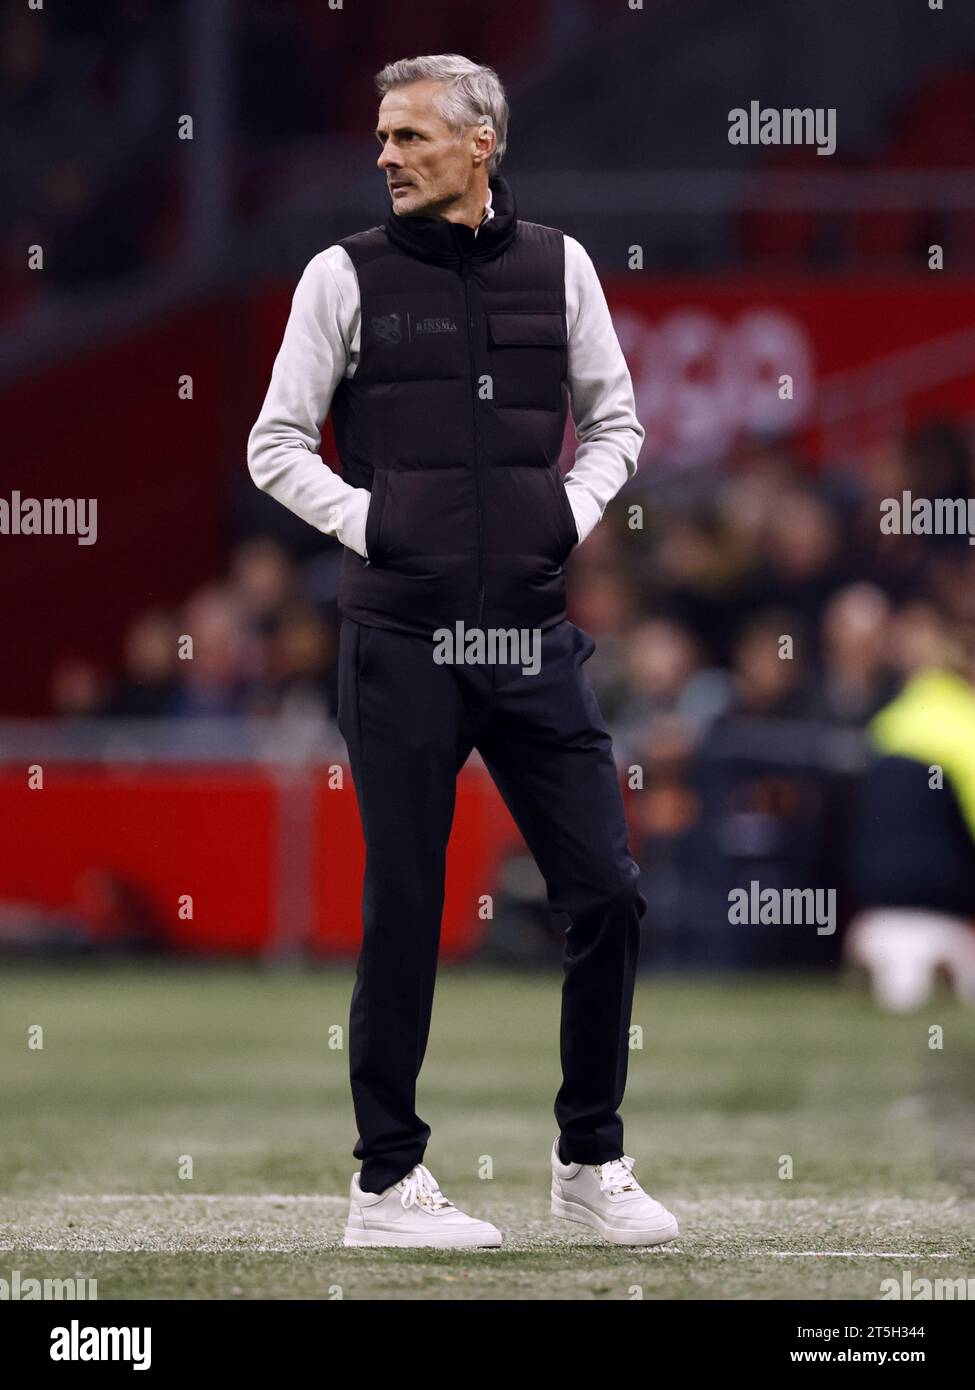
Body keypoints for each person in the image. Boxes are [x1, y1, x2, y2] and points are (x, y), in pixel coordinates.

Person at [247, 53, 678, 1250]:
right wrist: (370, 521)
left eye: (412, 136)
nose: (386, 155)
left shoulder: (563, 265)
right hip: (399, 641)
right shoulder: (342, 275)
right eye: (382, 137)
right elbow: (274, 442)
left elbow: (621, 420)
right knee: (405, 904)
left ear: (480, 144)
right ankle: (386, 1187)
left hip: (532, 634)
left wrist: (566, 515)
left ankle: (590, 1158)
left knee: (608, 892)